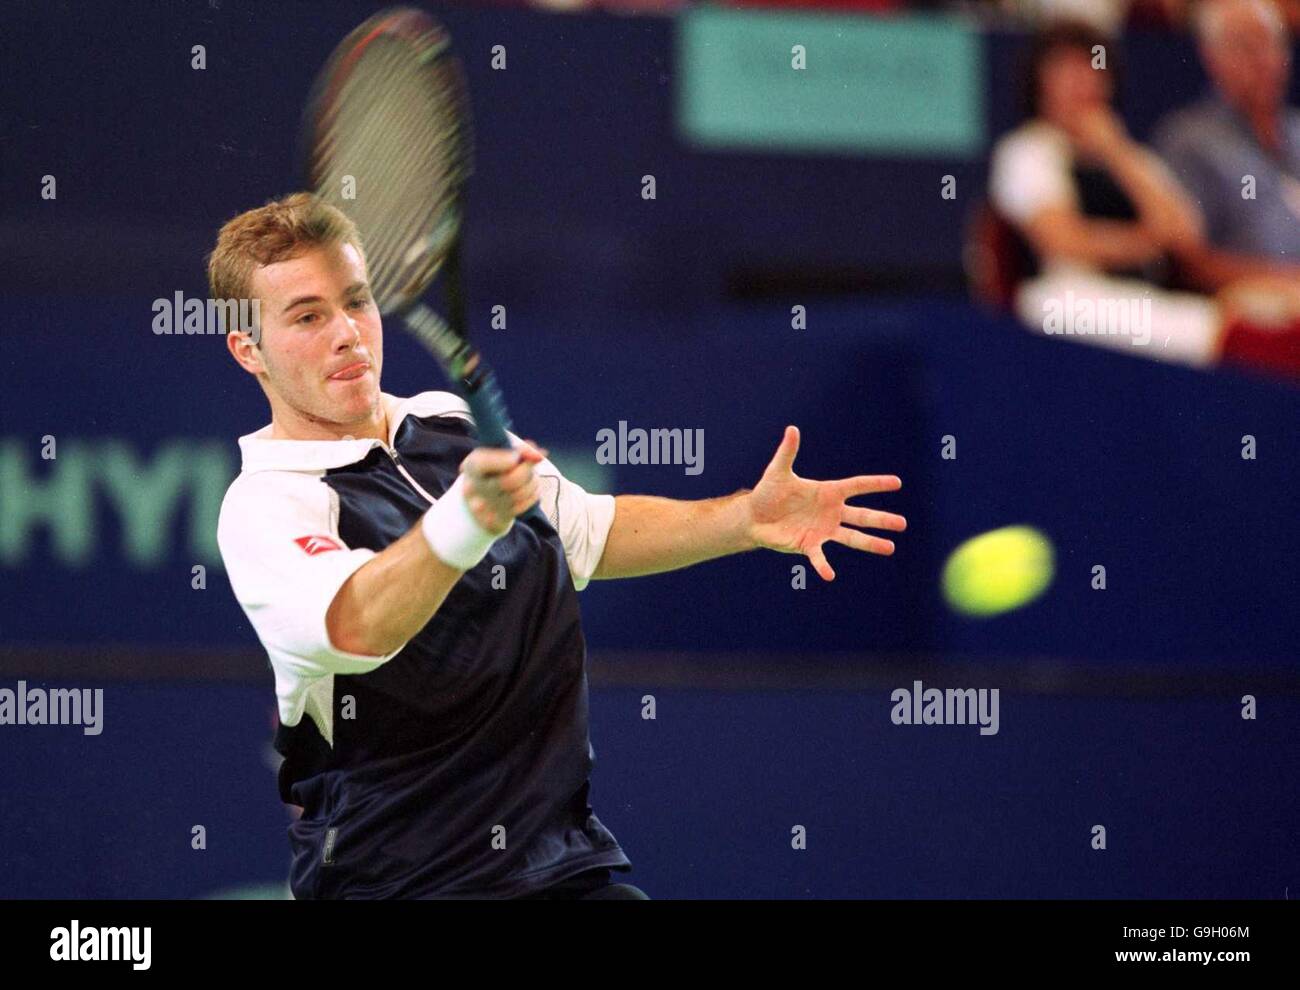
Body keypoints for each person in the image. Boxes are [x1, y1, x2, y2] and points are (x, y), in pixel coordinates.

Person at [210, 193, 907, 900]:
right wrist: (464, 522)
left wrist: (743, 520)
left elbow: (585, 533)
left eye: (356, 301)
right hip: (398, 885)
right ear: (247, 348)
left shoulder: (448, 423)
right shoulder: (264, 505)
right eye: (307, 316)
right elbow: (357, 624)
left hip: (558, 869)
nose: (349, 334)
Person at [988, 20, 1234, 365]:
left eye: (1092, 68)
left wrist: (1118, 154)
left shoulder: (1131, 157)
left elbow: (1185, 236)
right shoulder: (1028, 151)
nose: (1081, 83)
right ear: (1039, 84)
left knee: (1225, 327)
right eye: (1065, 70)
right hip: (1062, 298)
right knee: (1193, 332)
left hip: (1140, 296)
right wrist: (1149, 242)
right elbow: (1065, 242)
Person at [1151, 0, 1300, 305]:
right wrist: (1283, 282)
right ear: (1212, 57)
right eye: (1246, 46)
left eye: (1273, 44)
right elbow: (1188, 263)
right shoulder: (1188, 140)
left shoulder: (1297, 131)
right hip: (1247, 311)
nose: (1264, 60)